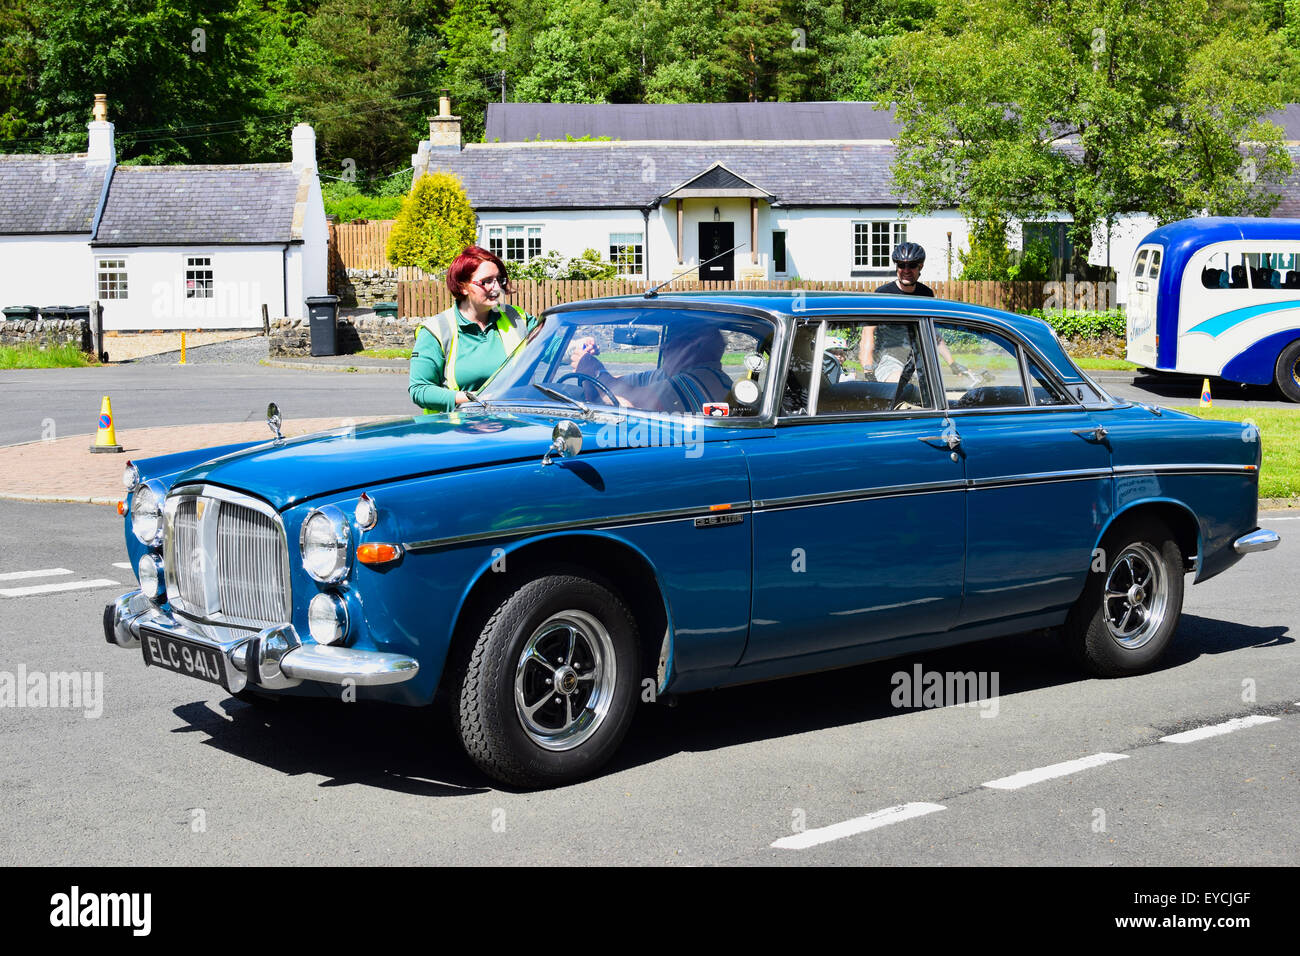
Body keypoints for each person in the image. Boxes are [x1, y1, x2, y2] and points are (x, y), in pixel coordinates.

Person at [408, 246, 537, 413]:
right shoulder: (436, 330)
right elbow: (420, 390)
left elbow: (555, 345)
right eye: (487, 281)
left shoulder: (517, 318)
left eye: (499, 280)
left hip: (513, 428)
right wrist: (476, 399)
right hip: (457, 431)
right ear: (463, 287)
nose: (496, 288)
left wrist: (580, 346)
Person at [569, 324, 733, 412]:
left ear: (695, 346)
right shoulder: (669, 375)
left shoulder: (705, 379)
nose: (663, 347)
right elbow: (620, 384)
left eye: (671, 339)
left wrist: (596, 372)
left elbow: (631, 401)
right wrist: (590, 373)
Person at [861, 241, 963, 382]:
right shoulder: (883, 294)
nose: (906, 270)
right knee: (901, 383)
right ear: (897, 267)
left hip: (917, 360)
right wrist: (868, 369)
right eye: (902, 265)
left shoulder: (925, 294)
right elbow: (868, 331)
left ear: (920, 266)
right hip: (889, 359)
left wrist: (952, 363)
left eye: (912, 265)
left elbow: (933, 334)